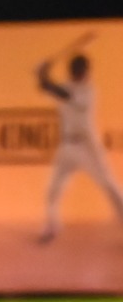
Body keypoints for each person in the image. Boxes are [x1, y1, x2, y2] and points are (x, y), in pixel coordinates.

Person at [36, 48, 123, 239]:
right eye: (77, 72)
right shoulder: (67, 85)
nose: (80, 75)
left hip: (87, 147)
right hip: (66, 145)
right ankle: (52, 226)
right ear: (73, 72)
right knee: (53, 189)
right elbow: (45, 87)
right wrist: (41, 75)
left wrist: (45, 76)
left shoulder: (89, 91)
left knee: (109, 184)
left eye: (82, 71)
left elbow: (62, 94)